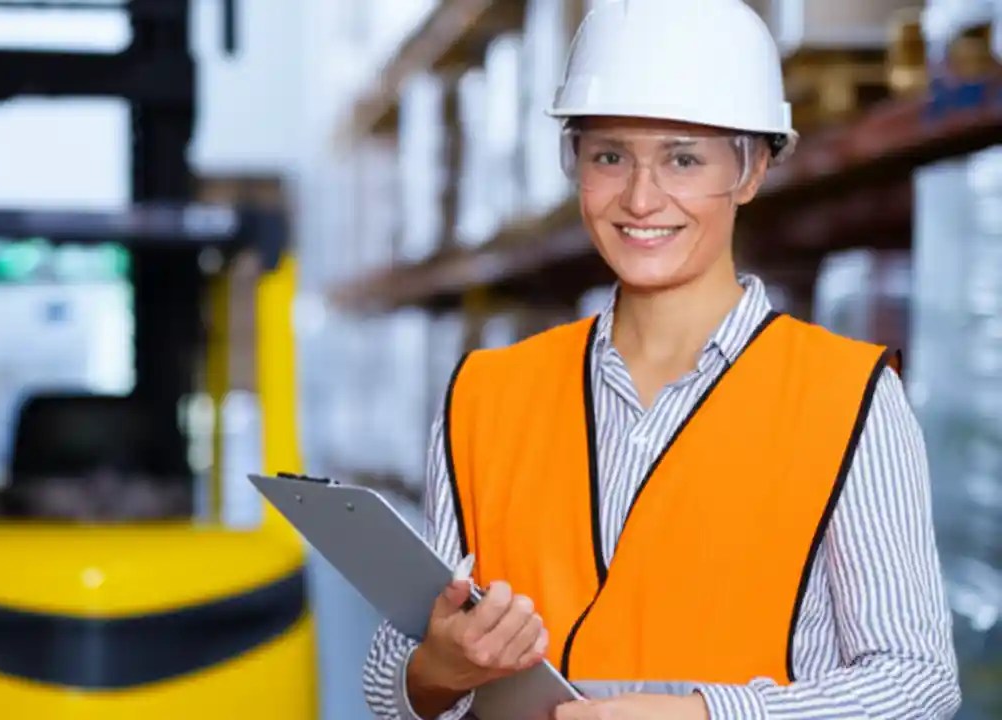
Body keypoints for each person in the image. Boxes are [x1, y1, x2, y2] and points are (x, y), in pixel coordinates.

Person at [361, 1, 963, 718]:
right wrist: (436, 670)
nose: (641, 199)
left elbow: (916, 685)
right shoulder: (484, 397)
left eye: (683, 158)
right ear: (574, 164)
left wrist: (708, 715)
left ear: (752, 168)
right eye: (609, 157)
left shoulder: (848, 400)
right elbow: (390, 678)